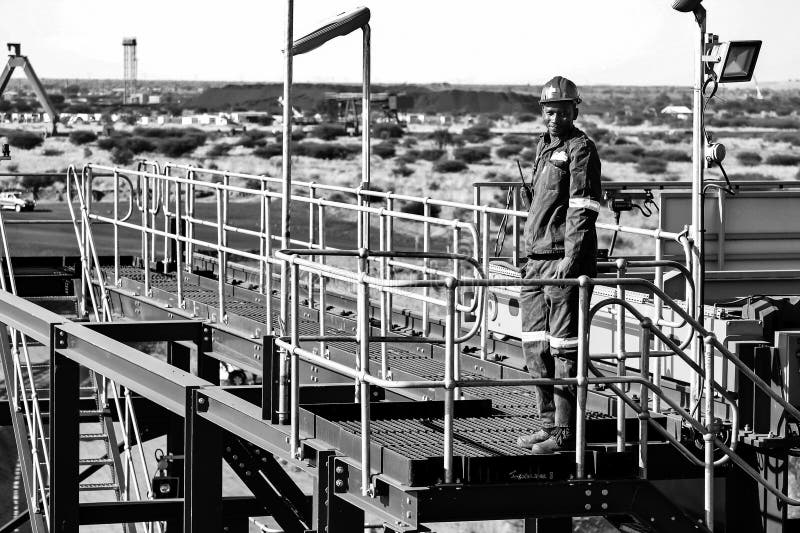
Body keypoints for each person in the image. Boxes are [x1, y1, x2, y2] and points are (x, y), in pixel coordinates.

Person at [515, 76, 603, 454]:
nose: (555, 118)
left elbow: (582, 208)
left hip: (563, 264)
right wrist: (525, 257)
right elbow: (540, 207)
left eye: (563, 111)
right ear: (543, 111)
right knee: (535, 347)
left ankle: (565, 434)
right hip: (535, 263)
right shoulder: (544, 146)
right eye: (550, 111)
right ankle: (547, 424)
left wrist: (570, 259)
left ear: (574, 111)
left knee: (564, 348)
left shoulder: (581, 150)